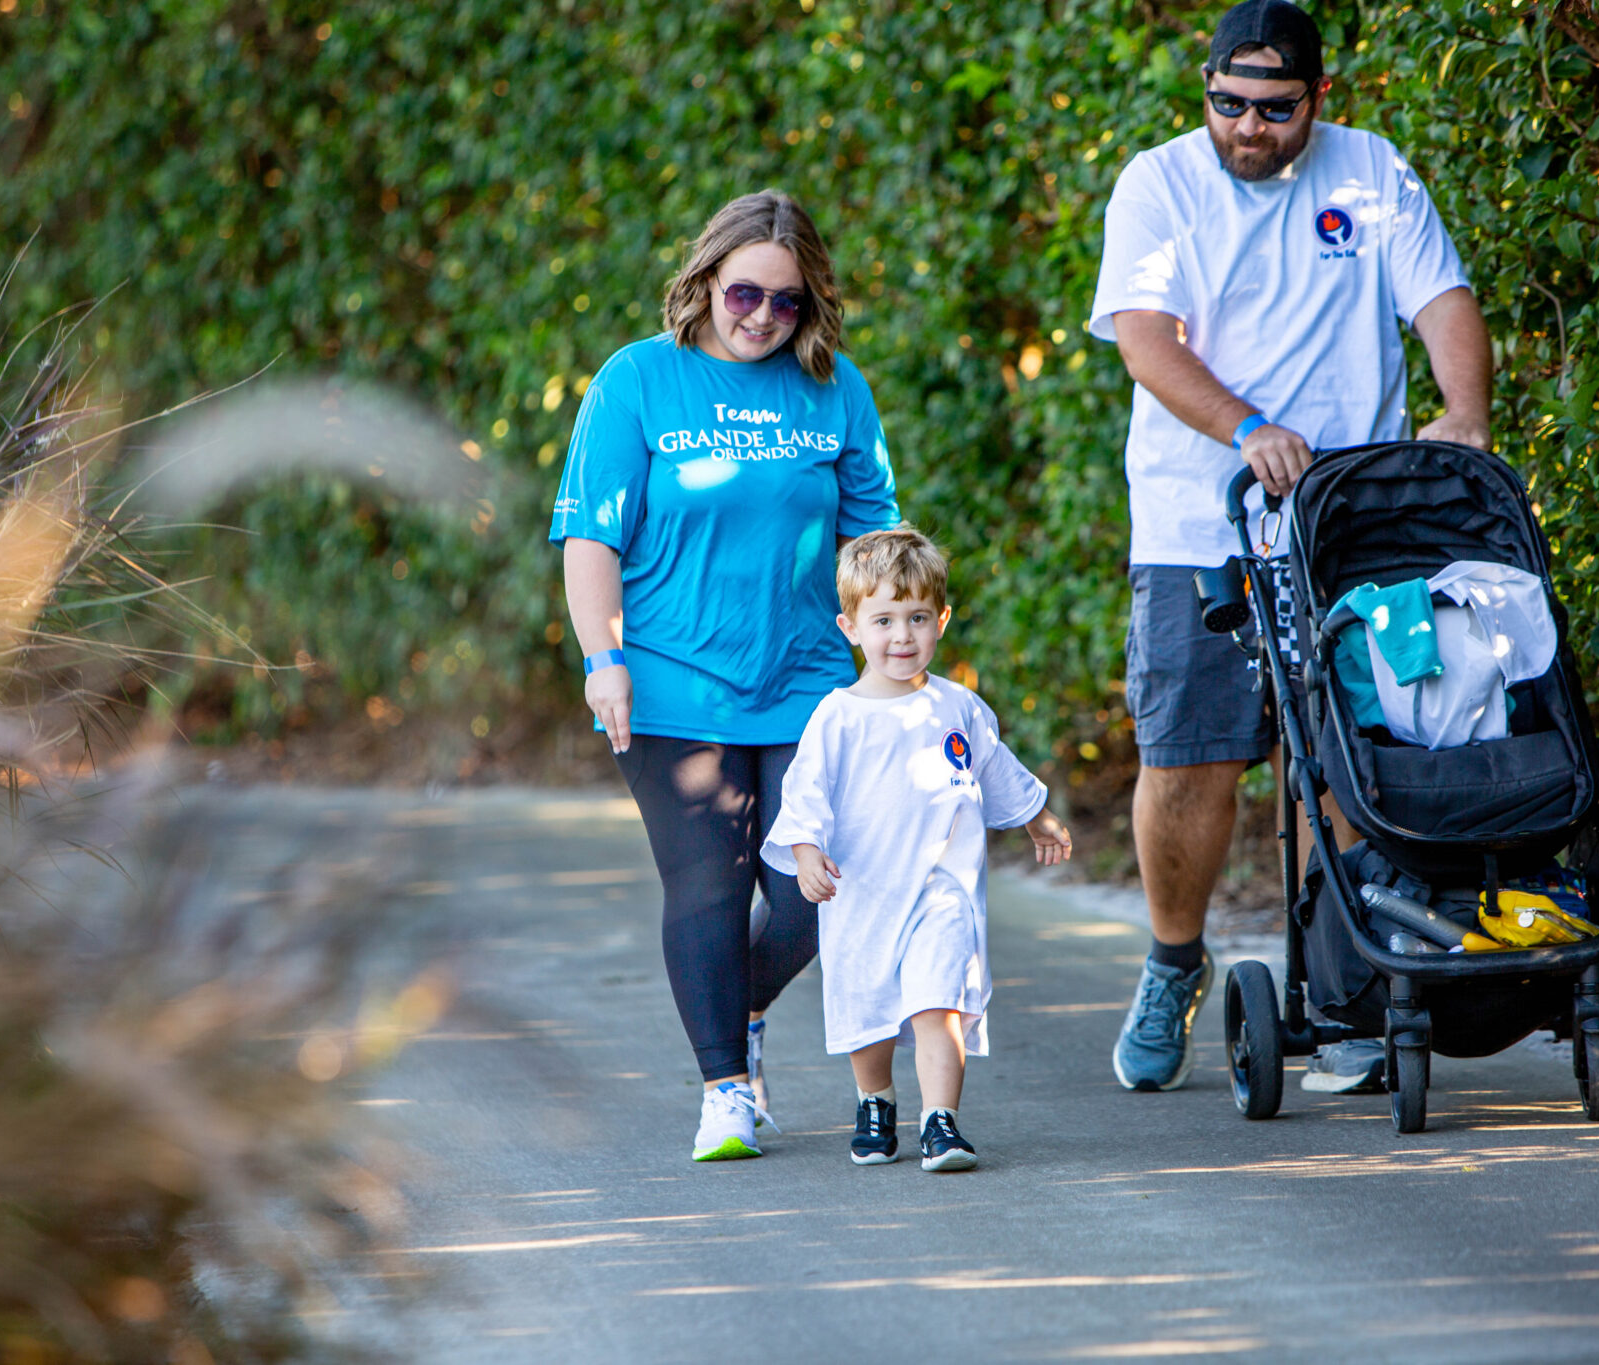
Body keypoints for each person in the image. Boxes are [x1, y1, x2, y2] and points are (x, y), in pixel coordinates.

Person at [1088, 0, 1493, 1096]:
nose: (1248, 128)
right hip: (1197, 519)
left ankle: (1343, 984)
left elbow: (1442, 300)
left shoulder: (1371, 171)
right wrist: (1246, 429)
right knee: (1189, 759)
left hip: (1351, 520)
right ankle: (1174, 961)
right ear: (1206, 89)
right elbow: (1145, 340)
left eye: (1274, 109)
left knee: (1349, 756)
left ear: (1319, 97)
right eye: (1228, 104)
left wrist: (1463, 414)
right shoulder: (1158, 183)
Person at [553, 190, 900, 1162]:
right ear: (705, 280)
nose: (762, 317)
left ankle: (733, 1006)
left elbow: (874, 543)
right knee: (707, 887)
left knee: (818, 892)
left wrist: (897, 662)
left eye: (787, 301)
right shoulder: (637, 380)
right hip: (671, 684)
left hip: (809, 684)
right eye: (745, 293)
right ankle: (725, 1088)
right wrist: (603, 661)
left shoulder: (834, 388)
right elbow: (591, 536)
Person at [763, 528, 1071, 1171]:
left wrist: (1036, 816)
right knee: (867, 1006)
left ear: (942, 621)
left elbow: (995, 767)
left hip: (941, 889)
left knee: (940, 999)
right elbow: (805, 792)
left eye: (918, 618)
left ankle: (941, 1122)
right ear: (851, 627)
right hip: (863, 893)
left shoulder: (957, 706)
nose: (901, 636)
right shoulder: (838, 716)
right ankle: (875, 1101)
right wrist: (806, 851)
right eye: (884, 620)